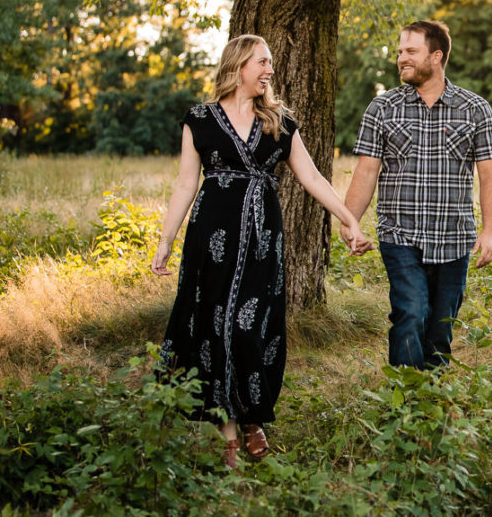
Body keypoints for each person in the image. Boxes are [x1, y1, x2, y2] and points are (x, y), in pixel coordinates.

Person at [150, 34, 372, 469]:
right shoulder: (200, 119)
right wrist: (165, 239)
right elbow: (184, 184)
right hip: (211, 242)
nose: (270, 70)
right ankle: (230, 434)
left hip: (260, 243)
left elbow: (312, 178)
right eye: (263, 62)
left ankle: (252, 415)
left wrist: (348, 218)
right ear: (238, 66)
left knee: (249, 328)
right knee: (215, 329)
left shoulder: (279, 123)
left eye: (270, 63)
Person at [345, 20, 492, 370]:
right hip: (400, 234)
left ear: (436, 56)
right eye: (400, 51)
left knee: (440, 331)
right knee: (411, 312)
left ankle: (432, 406)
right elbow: (366, 171)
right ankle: (405, 406)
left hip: (454, 238)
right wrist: (350, 223)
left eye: (411, 51)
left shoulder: (475, 109)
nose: (401, 58)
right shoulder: (382, 108)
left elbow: (490, 174)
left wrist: (490, 231)